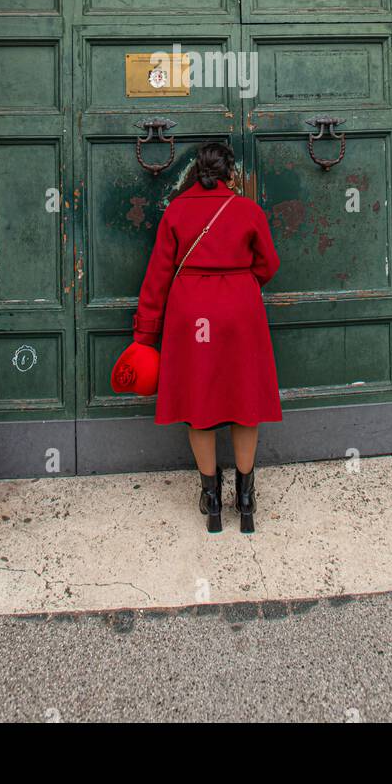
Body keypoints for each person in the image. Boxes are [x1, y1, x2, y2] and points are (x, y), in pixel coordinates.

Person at [132, 141, 282, 533]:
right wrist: (239, 283)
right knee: (244, 401)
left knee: (200, 403)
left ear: (196, 172)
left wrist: (145, 333)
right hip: (240, 312)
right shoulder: (247, 211)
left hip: (191, 313)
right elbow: (268, 264)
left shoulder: (177, 211)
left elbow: (158, 277)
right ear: (230, 174)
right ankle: (245, 499)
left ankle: (211, 497)